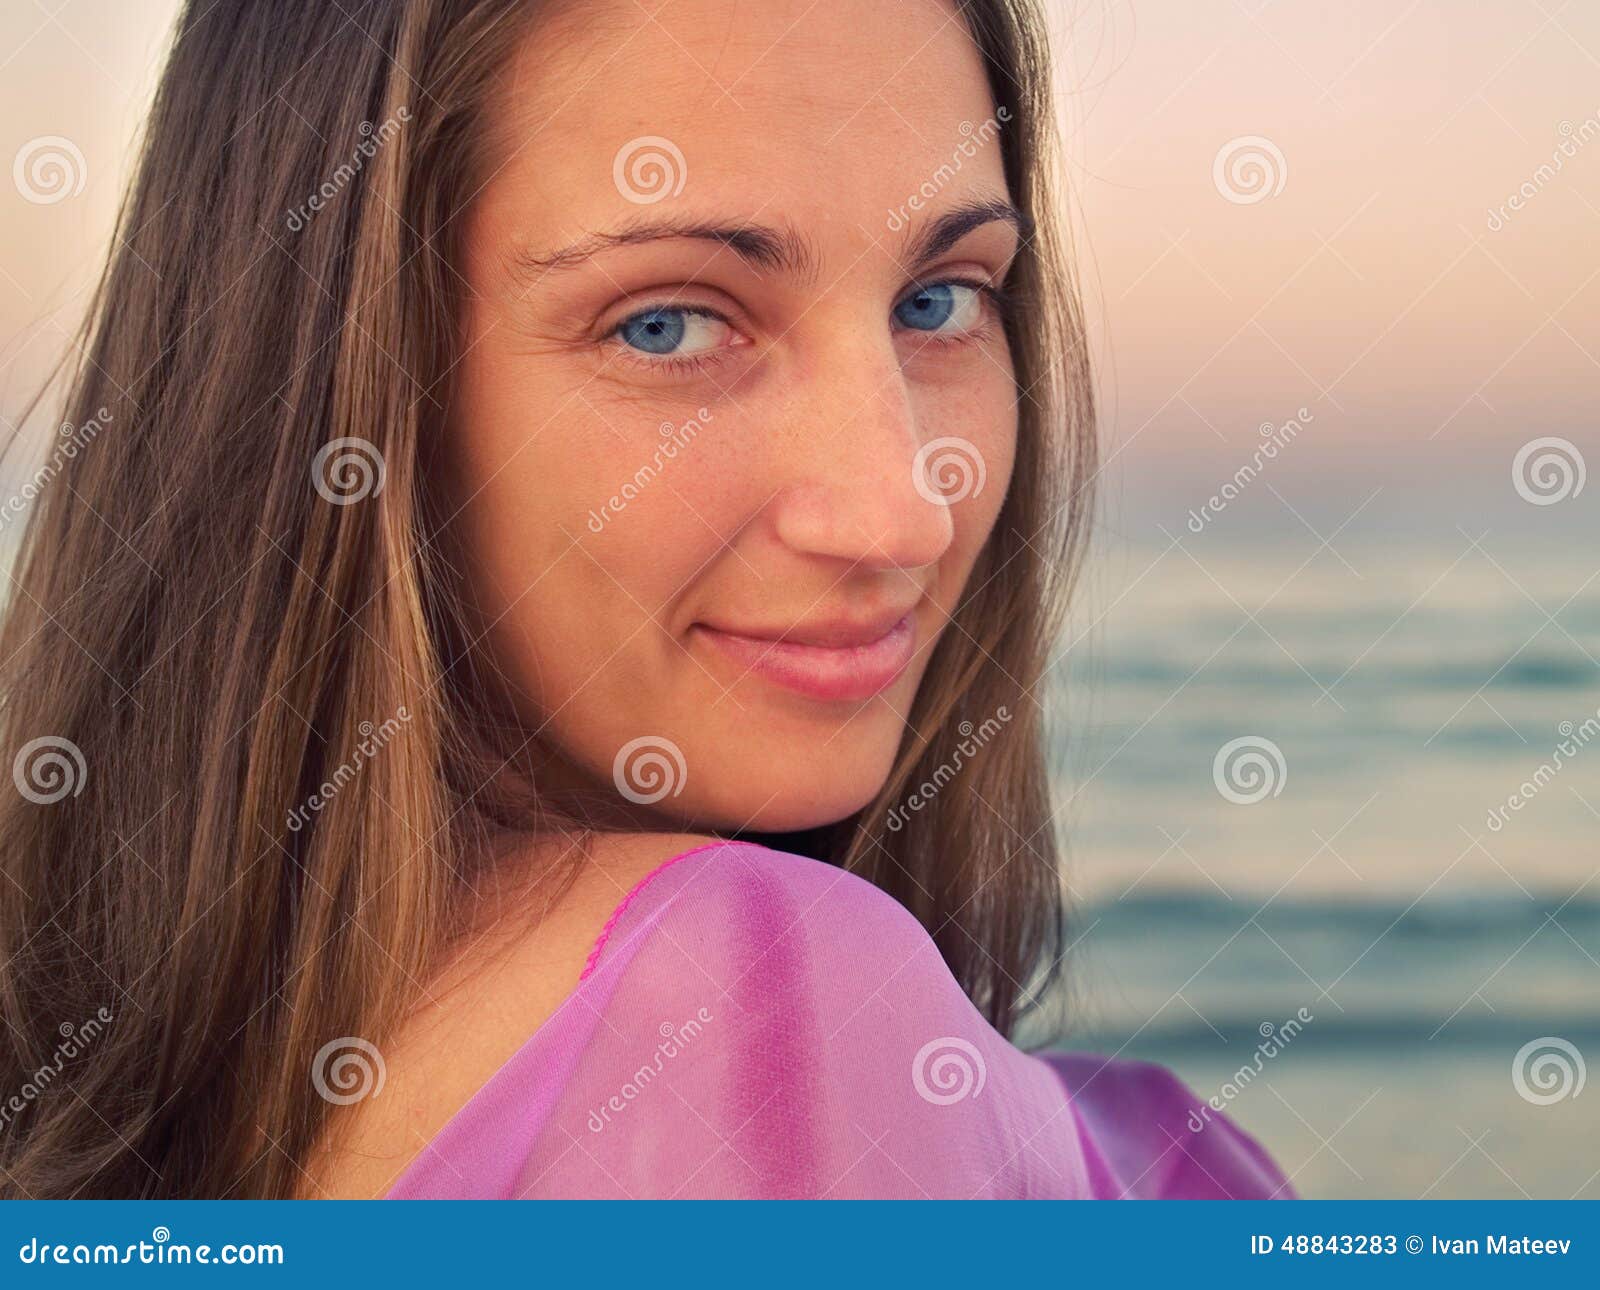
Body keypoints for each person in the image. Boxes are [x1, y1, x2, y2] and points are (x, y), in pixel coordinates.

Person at [0, 0, 1293, 1200]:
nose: (903, 508)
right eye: (668, 324)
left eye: (937, 301)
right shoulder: (763, 1012)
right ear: (338, 394)